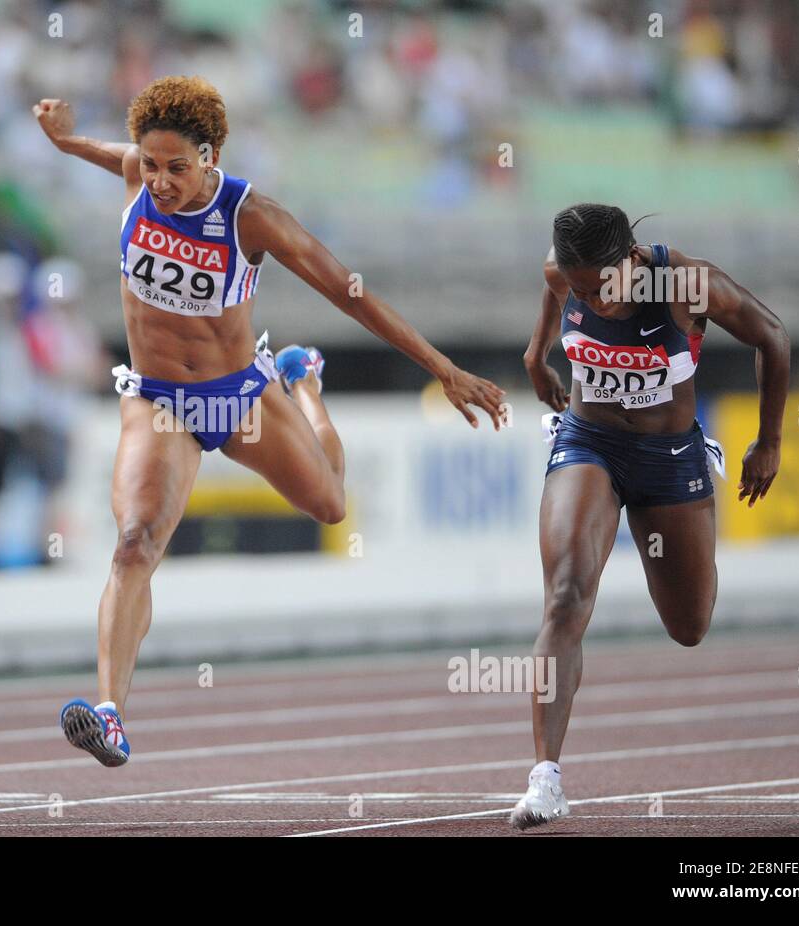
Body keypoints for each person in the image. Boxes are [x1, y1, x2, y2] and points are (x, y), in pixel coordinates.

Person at [34, 76, 505, 767]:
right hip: (159, 399)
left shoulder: (251, 217)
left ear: (211, 156)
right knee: (136, 543)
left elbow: (351, 294)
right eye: (151, 164)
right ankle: (111, 715)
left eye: (177, 168)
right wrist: (65, 140)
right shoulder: (138, 171)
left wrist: (443, 367)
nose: (159, 182)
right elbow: (111, 154)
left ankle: (303, 380)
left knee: (331, 505)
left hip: (238, 396)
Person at [512, 203, 789, 828]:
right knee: (565, 595)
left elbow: (772, 335)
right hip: (589, 442)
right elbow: (555, 297)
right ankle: (545, 779)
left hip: (668, 456)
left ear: (631, 259)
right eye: (582, 291)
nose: (595, 301)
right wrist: (536, 354)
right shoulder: (560, 273)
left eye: (603, 288)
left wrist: (769, 440)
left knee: (689, 625)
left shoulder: (689, 285)